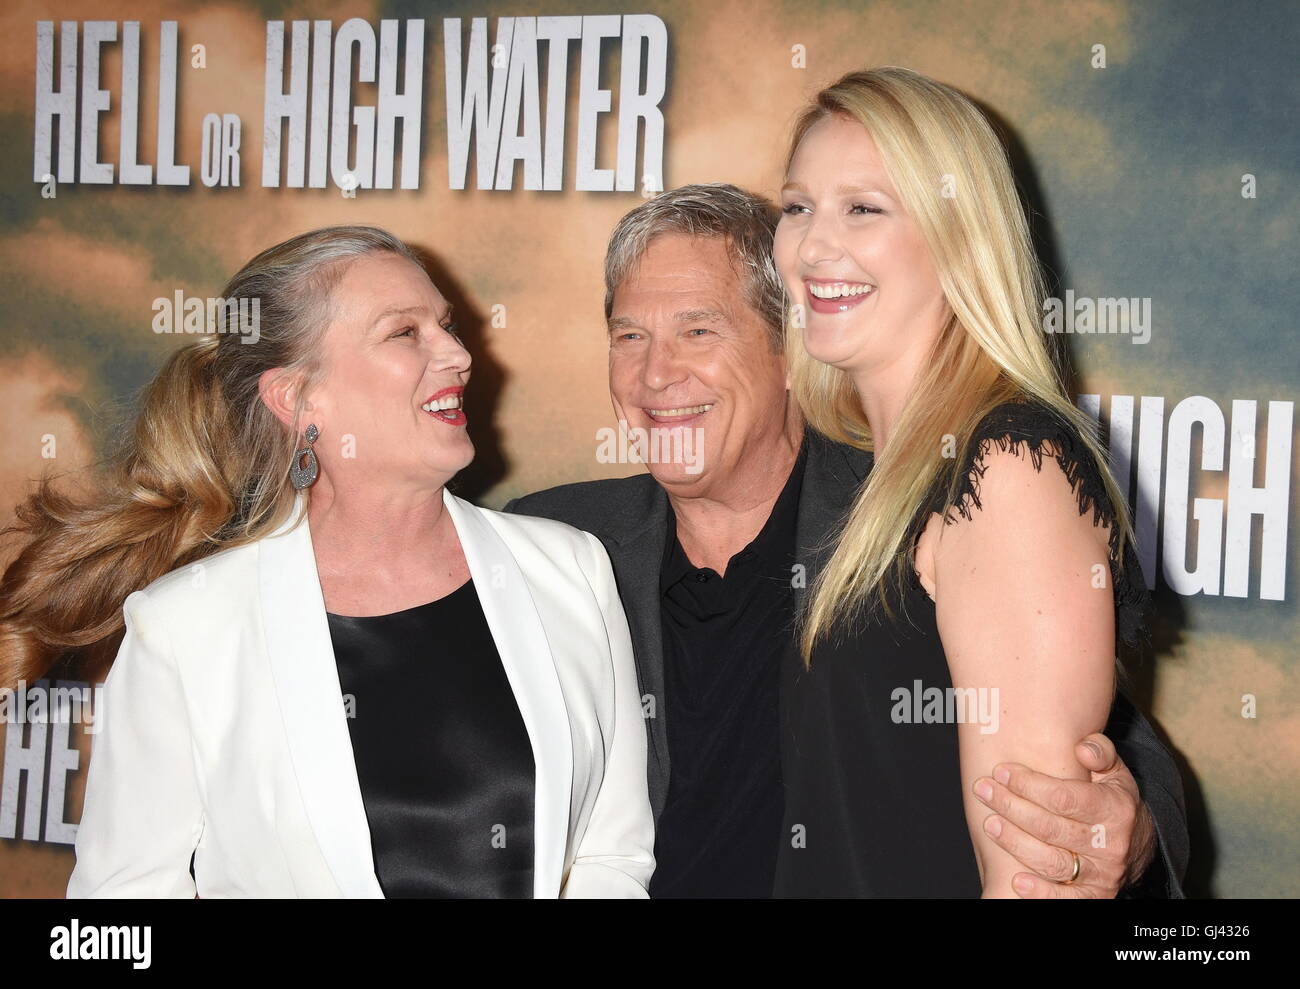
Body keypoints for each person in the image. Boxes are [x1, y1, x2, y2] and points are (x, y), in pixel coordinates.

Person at [506, 183, 1188, 898]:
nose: (655, 374)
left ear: (789, 350)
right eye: (629, 335)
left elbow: (1120, 751)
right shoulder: (553, 544)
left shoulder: (922, 517)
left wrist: (1133, 835)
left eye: (698, 331)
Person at [0, 226, 653, 898]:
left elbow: (613, 855)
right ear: (298, 398)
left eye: (447, 326)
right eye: (406, 333)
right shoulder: (187, 628)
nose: (458, 355)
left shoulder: (571, 571)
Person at [771, 66, 1163, 897]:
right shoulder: (887, 469)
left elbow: (1040, 882)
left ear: (963, 237)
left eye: (863, 208)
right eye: (797, 206)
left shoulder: (1008, 464)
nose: (811, 246)